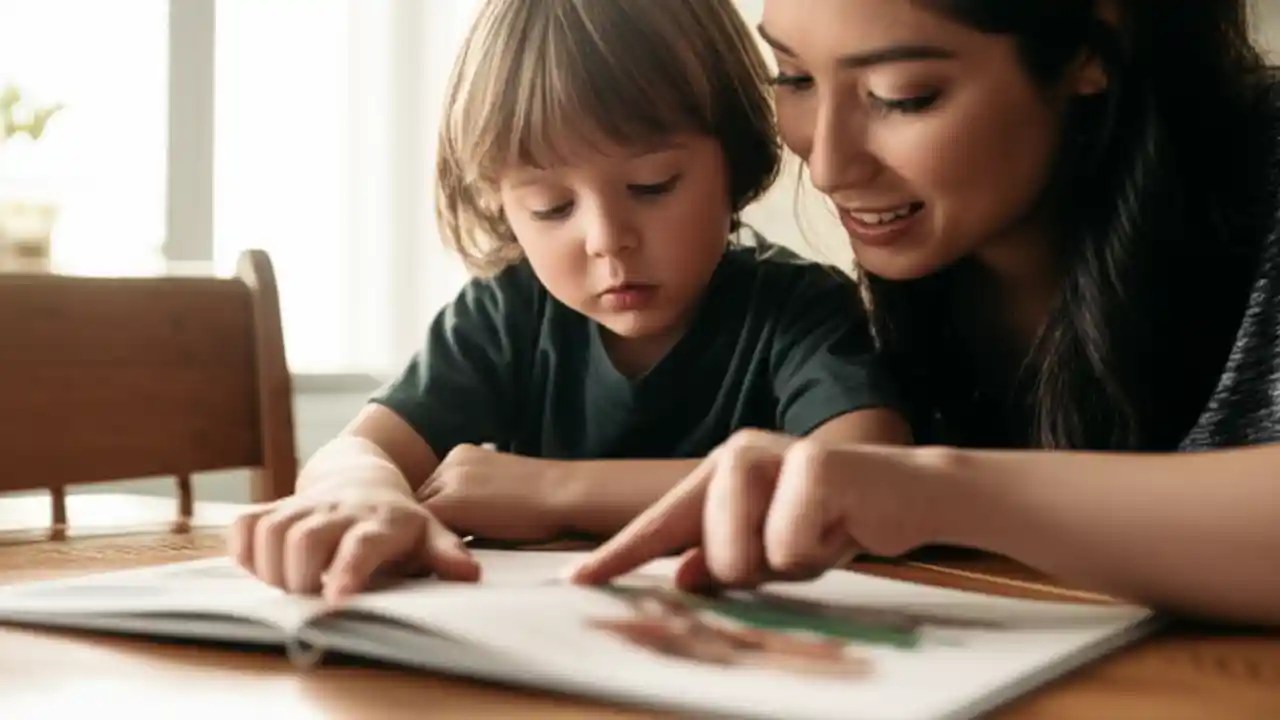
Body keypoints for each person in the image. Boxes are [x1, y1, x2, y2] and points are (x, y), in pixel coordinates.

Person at [570, 0, 1280, 627]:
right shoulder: (885, 297)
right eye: (794, 78)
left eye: (901, 96)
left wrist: (941, 489)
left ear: (1088, 47)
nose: (828, 168)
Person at [227, 0, 909, 602]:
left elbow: (868, 472)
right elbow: (351, 454)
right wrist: (364, 496)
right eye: (551, 207)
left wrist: (550, 492)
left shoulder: (797, 311)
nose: (608, 241)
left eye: (652, 185)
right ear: (502, 206)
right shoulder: (506, 316)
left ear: (733, 159)